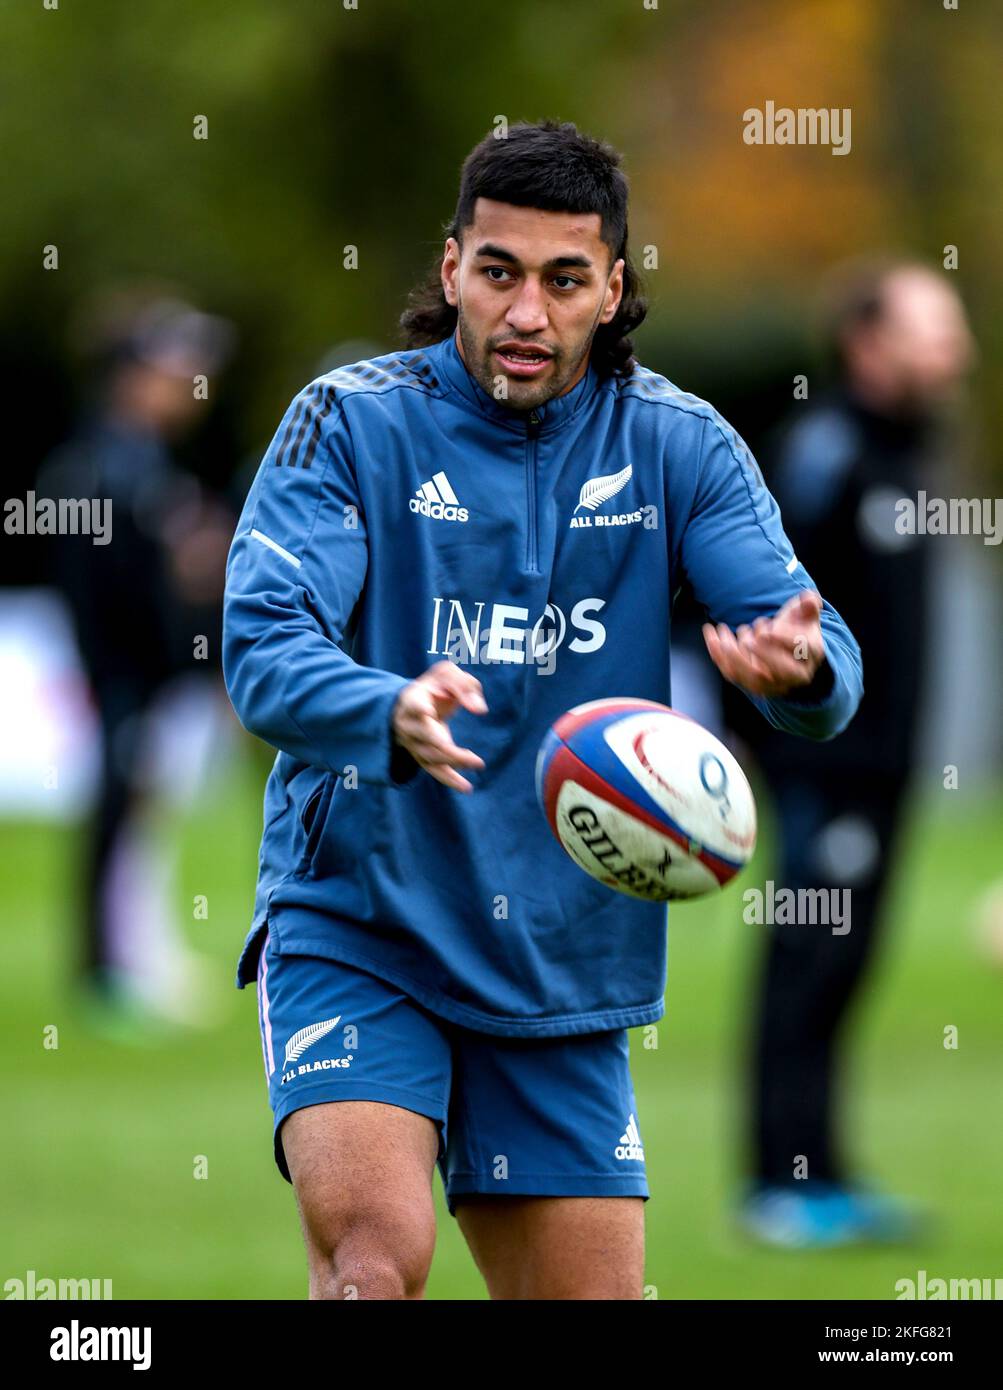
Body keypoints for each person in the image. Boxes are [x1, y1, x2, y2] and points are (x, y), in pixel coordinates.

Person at [222, 121, 862, 1300]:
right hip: (364, 924)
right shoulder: (349, 424)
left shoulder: (679, 446)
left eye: (564, 280)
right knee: (373, 1263)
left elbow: (819, 650)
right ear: (454, 264)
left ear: (612, 290)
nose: (527, 313)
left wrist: (799, 671)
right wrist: (385, 710)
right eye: (500, 271)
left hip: (563, 965)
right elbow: (264, 649)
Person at [738, 260, 975, 1247]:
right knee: (805, 966)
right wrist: (777, 760)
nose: (954, 350)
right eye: (933, 329)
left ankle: (824, 1174)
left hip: (884, 779)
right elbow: (754, 609)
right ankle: (778, 1187)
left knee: (847, 970)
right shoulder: (823, 455)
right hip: (820, 780)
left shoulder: (907, 453)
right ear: (867, 343)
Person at [41, 293, 235, 1032]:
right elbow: (103, 587)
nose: (192, 387)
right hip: (123, 677)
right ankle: (111, 971)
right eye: (176, 370)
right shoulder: (101, 466)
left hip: (145, 680)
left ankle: (138, 959)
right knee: (119, 818)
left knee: (143, 820)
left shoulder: (142, 465)